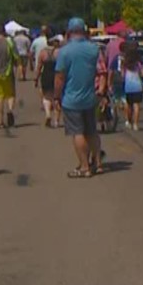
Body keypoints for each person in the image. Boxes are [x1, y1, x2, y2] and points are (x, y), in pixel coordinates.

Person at [54, 18, 103, 177]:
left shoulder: (65, 51)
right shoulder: (94, 49)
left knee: (78, 132)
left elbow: (60, 77)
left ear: (69, 32)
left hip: (71, 99)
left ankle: (84, 167)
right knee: (92, 131)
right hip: (90, 97)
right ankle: (98, 163)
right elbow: (101, 71)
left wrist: (56, 97)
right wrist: (101, 91)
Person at [34, 34, 63, 128]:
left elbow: (39, 67)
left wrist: (36, 78)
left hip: (46, 75)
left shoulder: (43, 52)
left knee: (46, 97)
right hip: (57, 75)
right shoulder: (60, 52)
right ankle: (56, 121)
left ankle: (48, 115)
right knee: (57, 98)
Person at [120, 41, 143, 131]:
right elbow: (142, 74)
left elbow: (122, 75)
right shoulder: (138, 64)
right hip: (137, 86)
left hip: (128, 86)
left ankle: (128, 121)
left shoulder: (125, 64)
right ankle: (136, 124)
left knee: (128, 104)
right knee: (136, 105)